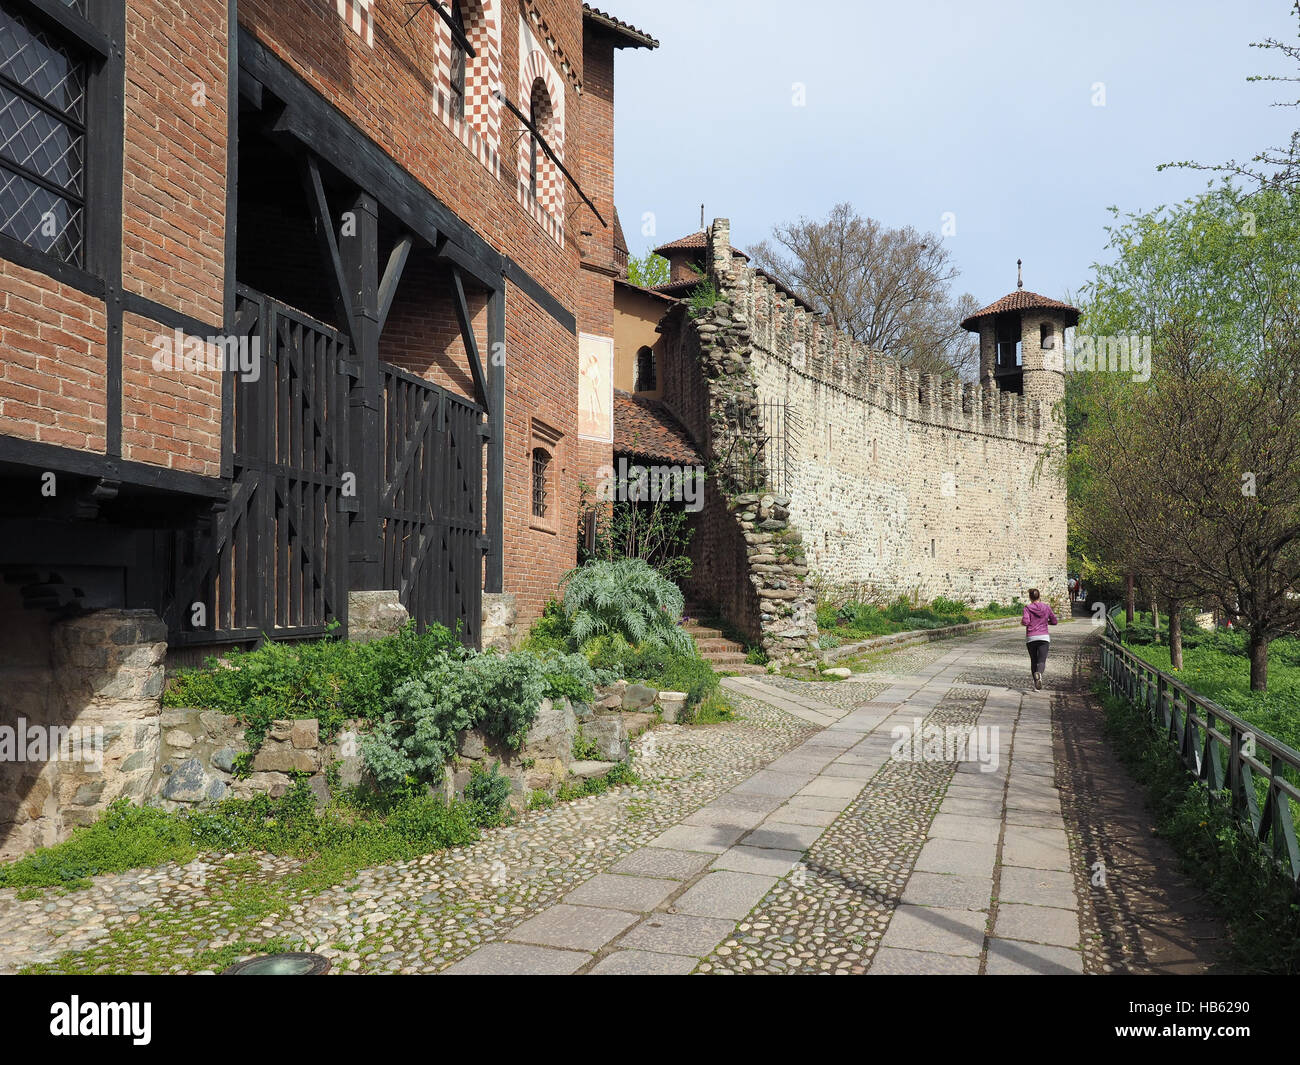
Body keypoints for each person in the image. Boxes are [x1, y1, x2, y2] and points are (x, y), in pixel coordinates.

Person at [1021, 588, 1058, 690]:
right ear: (1039, 596)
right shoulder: (1046, 607)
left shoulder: (1027, 608)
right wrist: (1047, 622)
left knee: (1034, 661)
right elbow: (1054, 621)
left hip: (1031, 637)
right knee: (1041, 661)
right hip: (1043, 637)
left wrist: (1023, 622)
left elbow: (1026, 622)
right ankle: (1039, 675)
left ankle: (1036, 684)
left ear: (1030, 597)